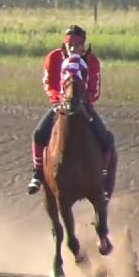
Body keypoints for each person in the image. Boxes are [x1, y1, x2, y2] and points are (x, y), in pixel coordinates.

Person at [27, 24, 116, 198]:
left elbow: (94, 90)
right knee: (39, 134)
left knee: (106, 139)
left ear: (84, 45)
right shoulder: (53, 58)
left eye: (77, 45)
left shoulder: (92, 62)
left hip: (84, 106)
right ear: (65, 44)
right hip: (61, 105)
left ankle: (103, 178)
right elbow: (49, 85)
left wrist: (83, 101)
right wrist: (60, 100)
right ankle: (37, 173)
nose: (73, 48)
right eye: (70, 44)